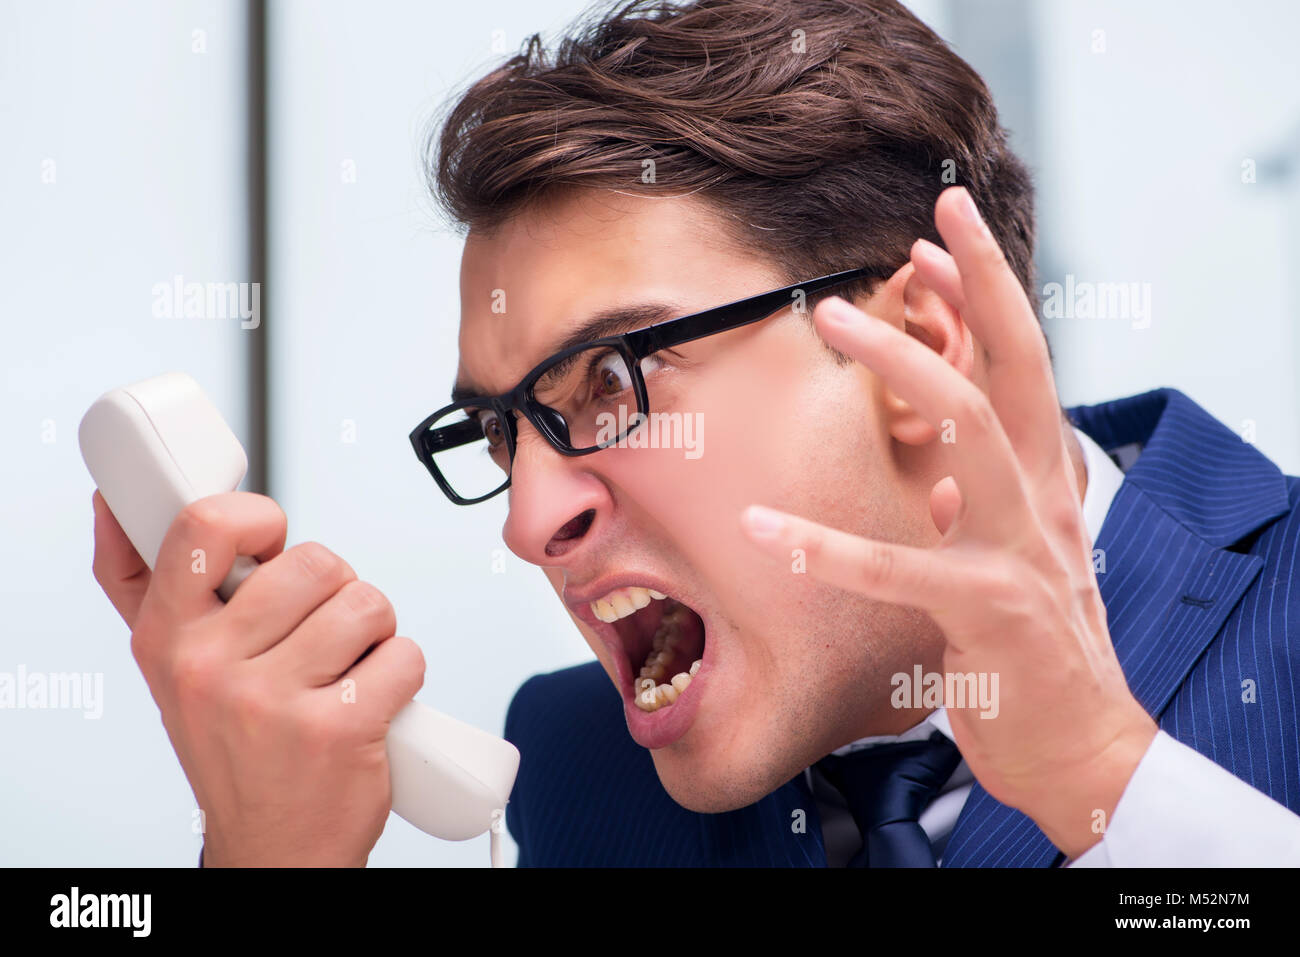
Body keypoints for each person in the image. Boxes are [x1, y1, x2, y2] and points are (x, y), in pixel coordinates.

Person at [91, 0, 1300, 866]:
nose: (527, 519)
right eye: (503, 432)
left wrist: (1110, 786)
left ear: (922, 348)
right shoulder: (572, 770)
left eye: (610, 378)